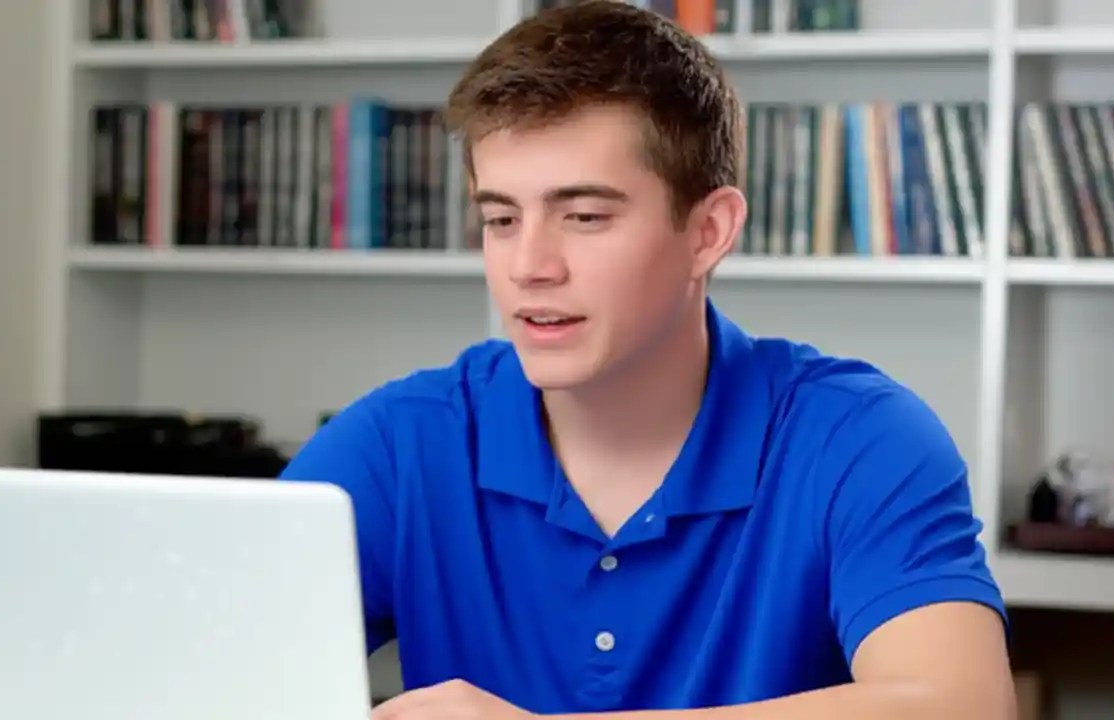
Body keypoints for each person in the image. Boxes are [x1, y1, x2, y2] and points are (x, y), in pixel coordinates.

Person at [279, 2, 1016, 718]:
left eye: (584, 217)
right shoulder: (400, 442)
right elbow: (220, 652)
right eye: (501, 218)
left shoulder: (859, 438)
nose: (528, 266)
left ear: (708, 231)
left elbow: (962, 706)